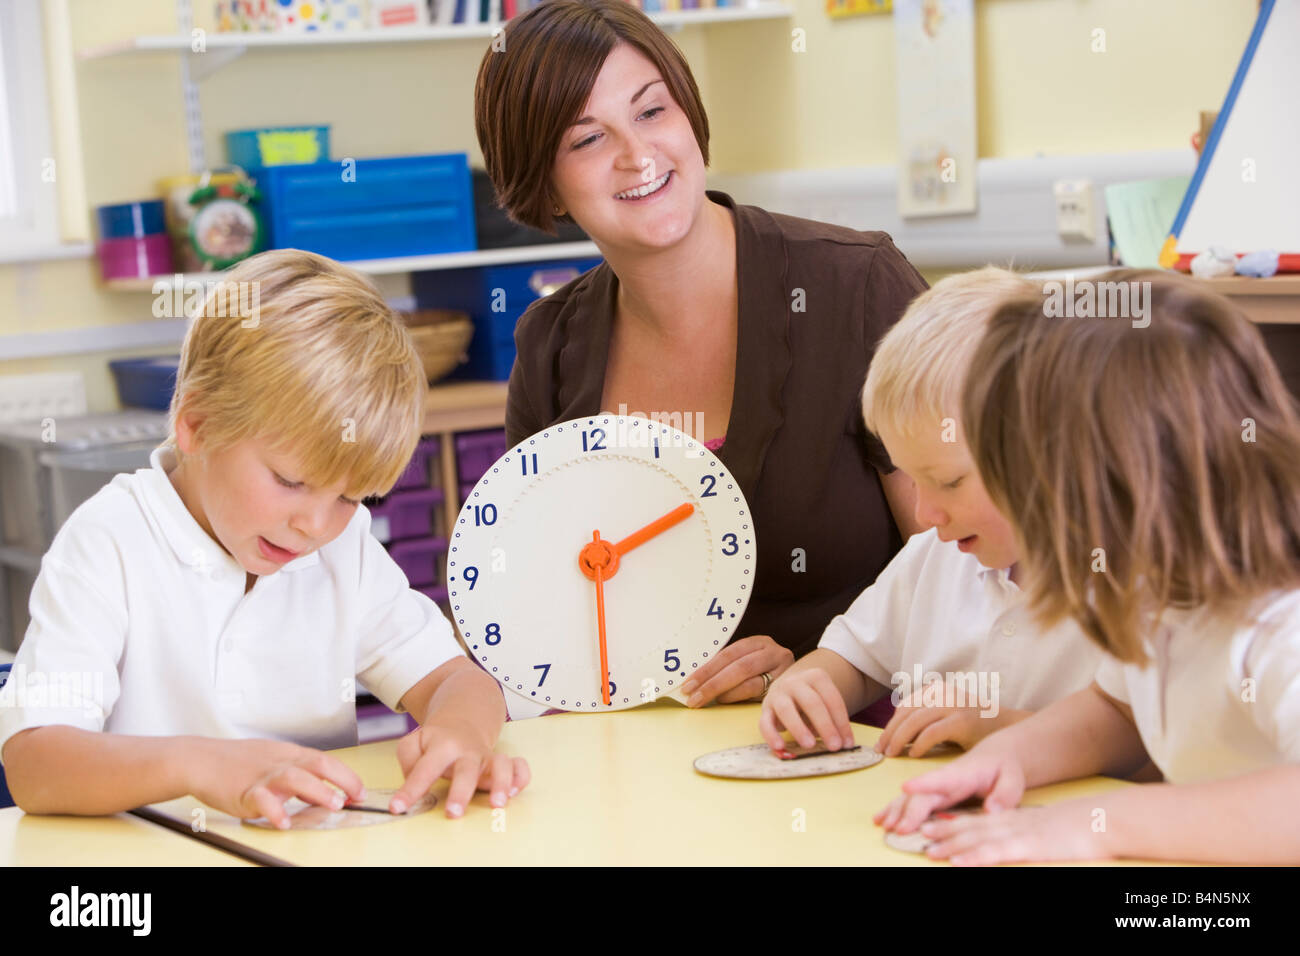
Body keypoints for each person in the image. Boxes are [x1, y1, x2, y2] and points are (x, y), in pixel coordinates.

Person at [474, 0, 928, 707]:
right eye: (588, 139)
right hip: (646, 757)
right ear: (545, 185)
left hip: (867, 742)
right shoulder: (551, 347)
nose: (637, 155)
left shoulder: (856, 287)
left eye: (652, 111)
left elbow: (968, 570)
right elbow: (547, 612)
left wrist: (830, 669)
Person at [0, 250, 529, 828]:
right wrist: (201, 765)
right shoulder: (110, 541)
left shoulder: (340, 547)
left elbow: (457, 679)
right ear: (197, 425)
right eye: (290, 481)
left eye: (350, 497)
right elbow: (35, 764)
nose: (316, 525)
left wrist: (463, 733)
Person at [877, 271, 1300, 864]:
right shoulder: (1160, 587)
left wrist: (1102, 826)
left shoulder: (1280, 616)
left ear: (1126, 476)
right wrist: (1002, 759)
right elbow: (1117, 710)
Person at [759, 268, 1104, 757]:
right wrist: (805, 687)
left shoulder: (1133, 582)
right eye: (913, 480)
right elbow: (855, 661)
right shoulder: (931, 561)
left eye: (948, 481)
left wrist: (996, 728)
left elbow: (1134, 742)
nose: (925, 513)